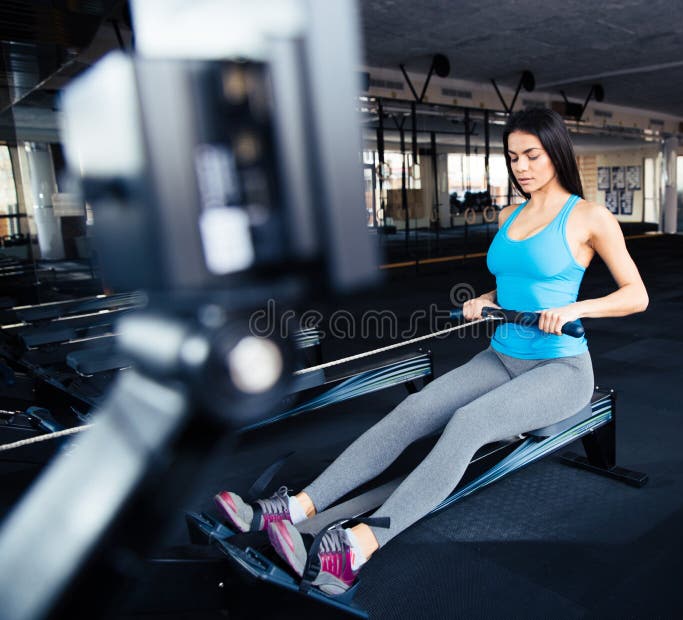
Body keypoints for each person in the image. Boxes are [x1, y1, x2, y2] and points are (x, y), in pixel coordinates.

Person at [214, 107, 649, 595]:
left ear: (556, 153)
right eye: (513, 158)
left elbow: (636, 294)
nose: (521, 167)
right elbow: (513, 285)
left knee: (469, 424)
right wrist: (485, 300)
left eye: (532, 155)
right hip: (501, 356)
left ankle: (358, 546)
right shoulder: (511, 214)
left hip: (561, 368)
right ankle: (299, 507)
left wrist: (577, 310)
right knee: (413, 409)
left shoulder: (590, 216)